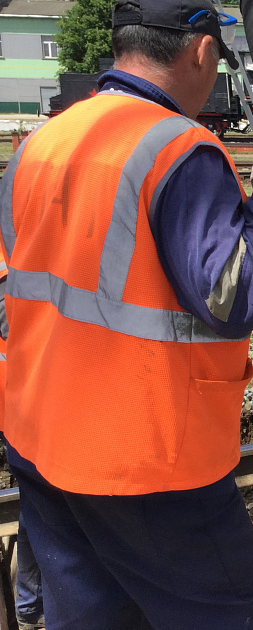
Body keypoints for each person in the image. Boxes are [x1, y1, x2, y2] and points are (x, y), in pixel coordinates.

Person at [0, 0, 253, 629]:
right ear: (202, 50)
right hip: (140, 458)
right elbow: (232, 292)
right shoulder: (177, 148)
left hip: (38, 437)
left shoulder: (38, 146)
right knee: (242, 614)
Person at [0, 259, 44, 630]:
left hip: (23, 393)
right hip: (20, 394)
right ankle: (29, 608)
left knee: (40, 498)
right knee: (43, 497)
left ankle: (30, 607)